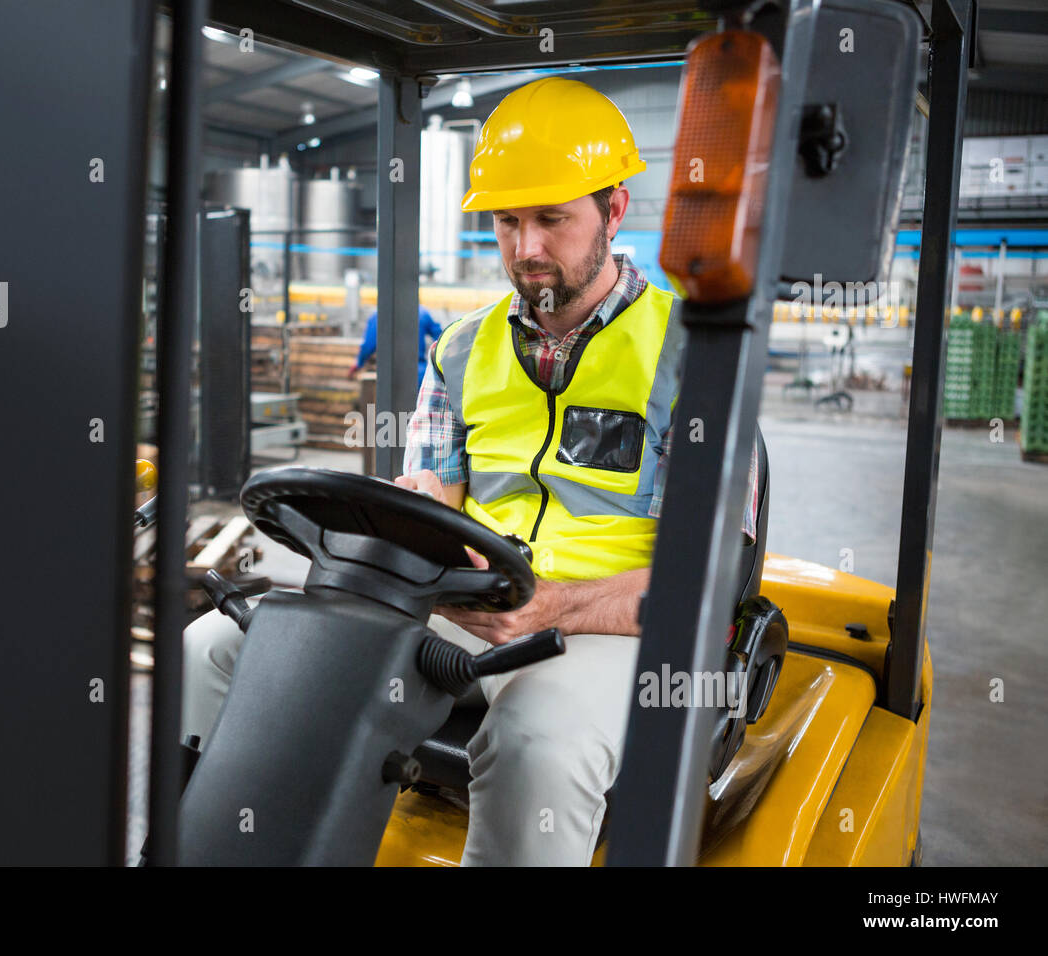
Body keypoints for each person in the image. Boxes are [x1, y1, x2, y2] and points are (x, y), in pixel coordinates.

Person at [182, 76, 759, 866]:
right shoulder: (458, 351)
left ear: (615, 210)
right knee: (211, 648)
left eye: (552, 219)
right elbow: (430, 499)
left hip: (610, 627)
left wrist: (551, 605)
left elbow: (707, 581)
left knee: (536, 743)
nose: (526, 249)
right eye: (508, 221)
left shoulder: (696, 358)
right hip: (470, 610)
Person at [347, 307, 443, 389]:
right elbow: (440, 338)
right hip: (418, 372)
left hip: (392, 372)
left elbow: (368, 345)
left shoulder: (380, 314)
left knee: (393, 409)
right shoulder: (422, 313)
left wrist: (358, 364)